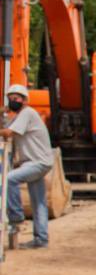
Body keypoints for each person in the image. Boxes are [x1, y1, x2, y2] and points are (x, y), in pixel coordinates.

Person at [0, 84, 54, 249]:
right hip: (38, 162)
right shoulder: (19, 116)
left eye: (16, 98)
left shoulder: (27, 113)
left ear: (24, 100)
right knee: (39, 202)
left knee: (9, 179)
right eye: (10, 98)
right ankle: (41, 239)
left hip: (37, 162)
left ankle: (16, 216)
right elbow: (7, 126)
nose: (12, 101)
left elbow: (8, 133)